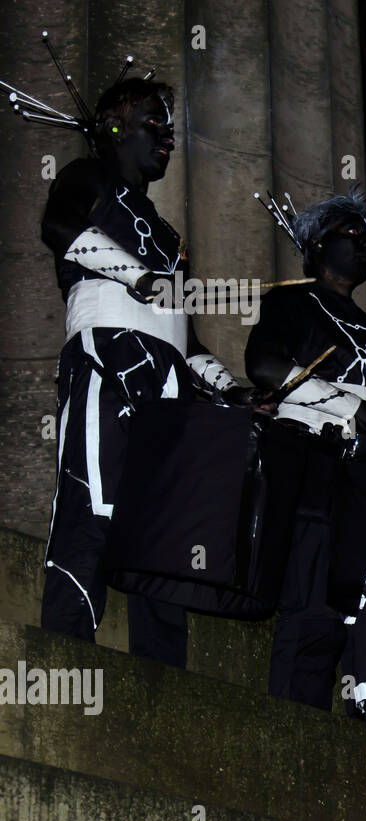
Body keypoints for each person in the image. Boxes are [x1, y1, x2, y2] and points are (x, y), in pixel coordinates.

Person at [39, 76, 254, 666]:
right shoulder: (87, 177)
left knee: (165, 529)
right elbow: (58, 229)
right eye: (154, 124)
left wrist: (233, 392)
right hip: (105, 361)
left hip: (169, 386)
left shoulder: (171, 237)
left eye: (171, 127)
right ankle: (64, 655)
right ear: (115, 127)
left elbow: (188, 336)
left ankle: (163, 678)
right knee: (91, 504)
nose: (168, 137)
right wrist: (140, 279)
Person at [244, 187, 366, 729]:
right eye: (349, 236)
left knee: (351, 612)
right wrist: (347, 406)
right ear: (315, 247)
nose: (364, 245)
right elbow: (265, 367)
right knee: (310, 606)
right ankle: (293, 732)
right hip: (317, 471)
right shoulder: (291, 302)